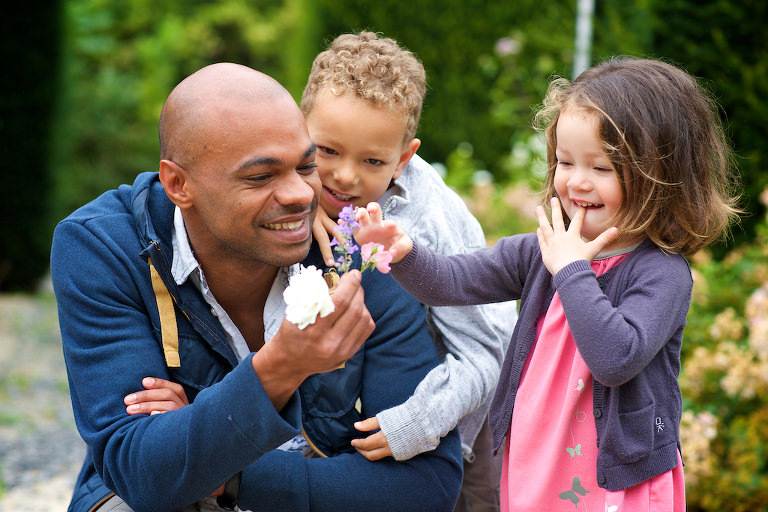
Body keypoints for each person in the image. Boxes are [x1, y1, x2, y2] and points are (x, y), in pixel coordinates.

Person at [50, 62, 462, 512]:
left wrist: (225, 470)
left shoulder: (357, 253)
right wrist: (282, 366)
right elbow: (142, 473)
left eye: (307, 165)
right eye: (261, 176)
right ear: (177, 184)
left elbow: (427, 485)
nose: (302, 195)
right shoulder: (105, 245)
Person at [353, 57, 741, 511]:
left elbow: (616, 357)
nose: (576, 181)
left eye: (601, 168)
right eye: (565, 161)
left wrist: (572, 270)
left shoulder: (661, 273)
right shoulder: (543, 250)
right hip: (540, 458)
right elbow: (453, 282)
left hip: (614, 475)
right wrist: (404, 253)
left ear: (662, 176)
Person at [300, 31, 516, 510]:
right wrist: (301, 191)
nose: (345, 176)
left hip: (452, 417)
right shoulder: (301, 181)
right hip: (349, 404)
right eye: (327, 152)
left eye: (372, 161)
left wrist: (421, 421)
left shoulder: (429, 221)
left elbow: (487, 347)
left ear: (403, 158)